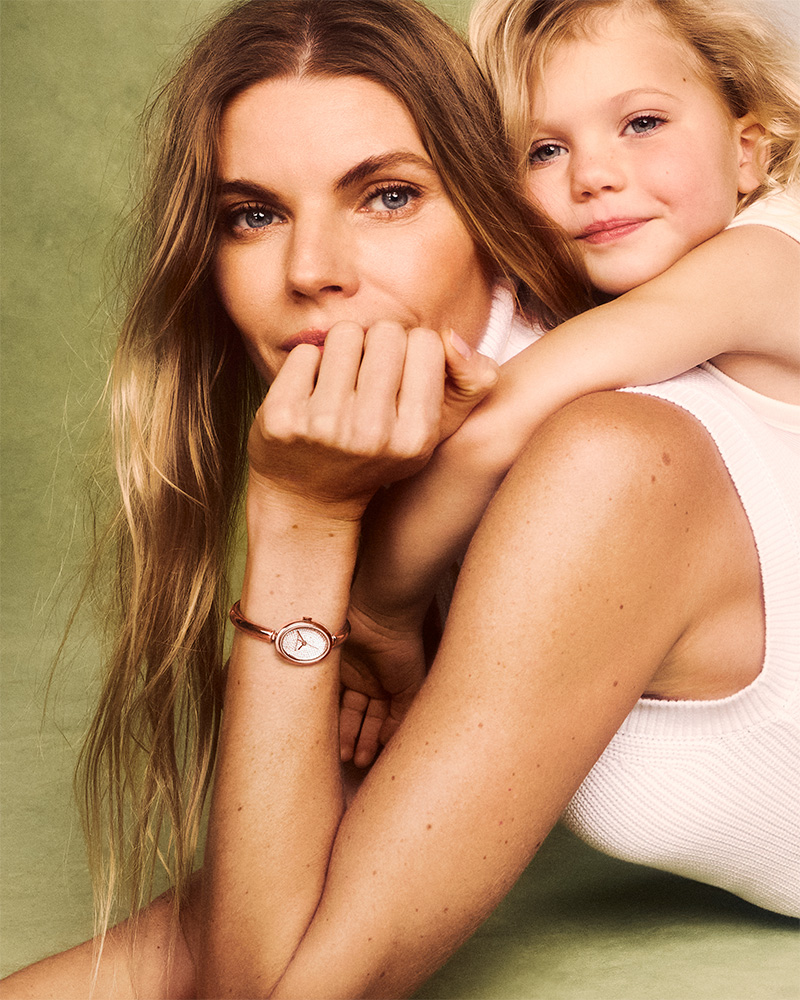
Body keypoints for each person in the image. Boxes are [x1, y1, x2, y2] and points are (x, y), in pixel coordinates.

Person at [2, 1, 798, 999]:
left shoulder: (616, 453)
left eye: (386, 196)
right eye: (253, 215)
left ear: (487, 210)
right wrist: (314, 523)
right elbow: (224, 936)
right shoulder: (395, 480)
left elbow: (278, 986)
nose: (311, 272)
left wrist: (308, 533)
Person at [339, 0, 800, 768]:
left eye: (643, 123)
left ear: (748, 151)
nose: (593, 176)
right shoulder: (575, 307)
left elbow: (494, 424)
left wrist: (375, 617)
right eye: (544, 150)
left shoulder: (768, 259)